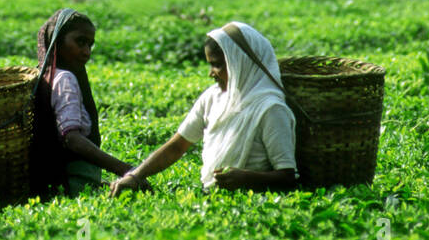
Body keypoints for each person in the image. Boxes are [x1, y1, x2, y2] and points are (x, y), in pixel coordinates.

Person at [109, 20, 298, 196]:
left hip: (252, 202)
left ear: (240, 63)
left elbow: (287, 177)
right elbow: (177, 145)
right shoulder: (212, 97)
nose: (211, 74)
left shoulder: (271, 109)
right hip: (208, 195)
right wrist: (135, 176)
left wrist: (246, 179)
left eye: (217, 65)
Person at [31, 7, 137, 198]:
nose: (87, 52)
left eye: (90, 45)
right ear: (57, 42)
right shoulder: (65, 79)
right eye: (80, 42)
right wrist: (127, 170)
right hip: (72, 185)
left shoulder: (42, 76)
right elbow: (72, 139)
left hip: (54, 182)